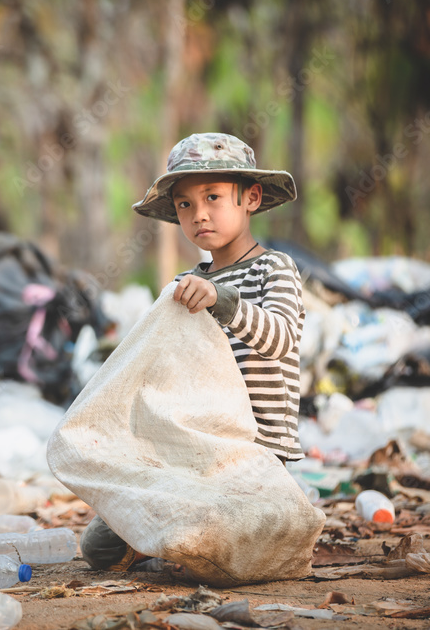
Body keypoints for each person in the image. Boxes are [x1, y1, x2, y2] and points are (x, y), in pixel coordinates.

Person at [79, 132, 305, 571]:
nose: (199, 214)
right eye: (185, 204)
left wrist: (221, 299)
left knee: (224, 536)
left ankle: (183, 554)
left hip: (255, 457)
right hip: (194, 451)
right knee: (100, 546)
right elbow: (164, 368)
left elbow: (280, 338)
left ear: (251, 198)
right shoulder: (183, 284)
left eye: (214, 197)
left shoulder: (273, 269)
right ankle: (172, 549)